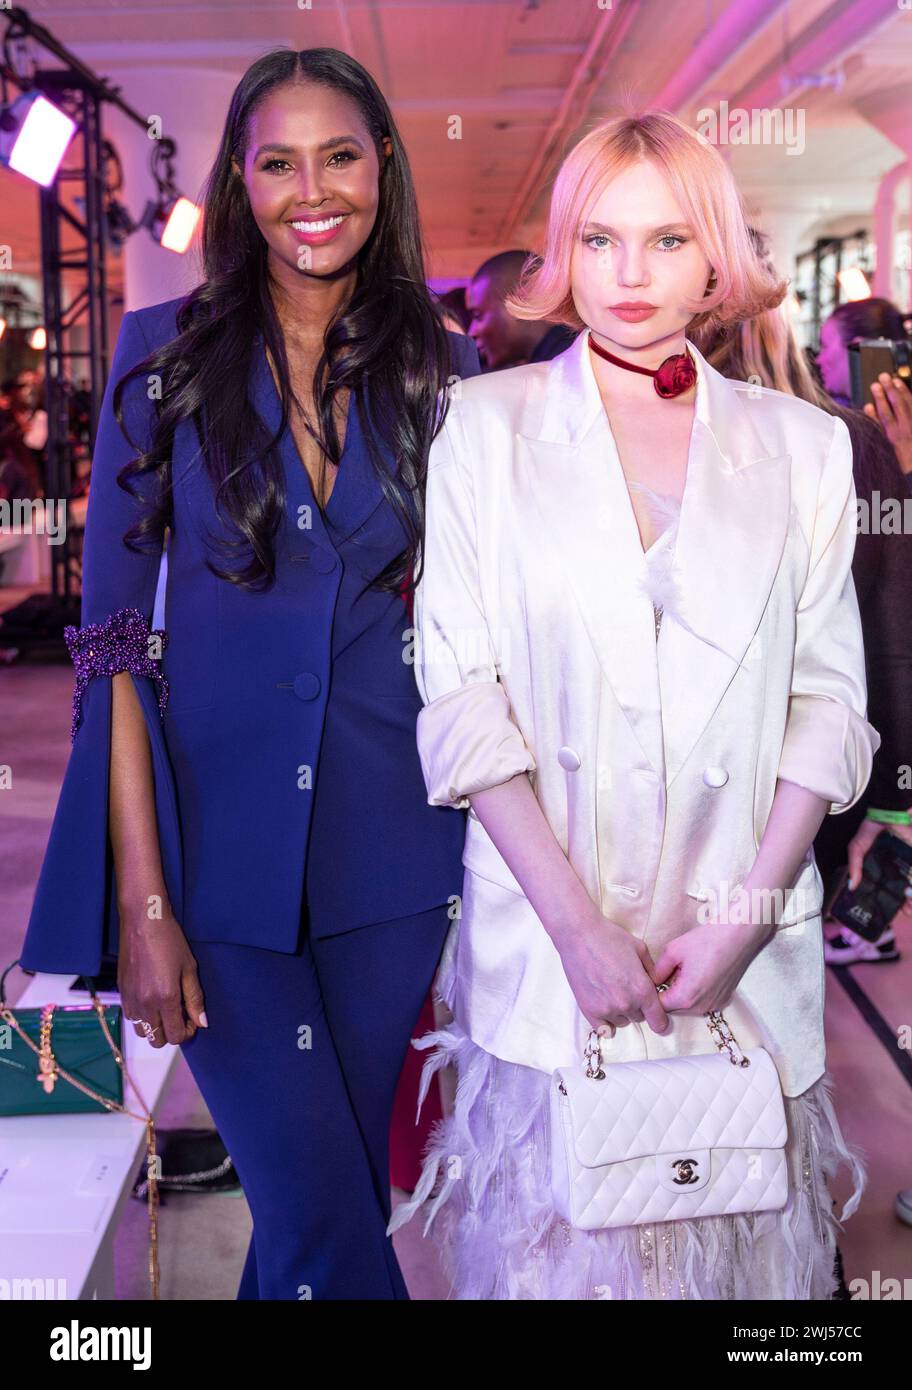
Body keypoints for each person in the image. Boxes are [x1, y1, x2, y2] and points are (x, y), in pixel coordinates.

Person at [388, 111, 876, 1300]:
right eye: (600, 240)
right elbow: (460, 694)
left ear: (715, 259)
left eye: (666, 241)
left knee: (743, 1280)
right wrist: (576, 929)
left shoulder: (804, 447)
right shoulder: (484, 431)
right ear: (564, 251)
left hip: (739, 940)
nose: (629, 276)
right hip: (557, 946)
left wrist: (745, 916)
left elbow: (831, 706)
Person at [18, 46, 480, 1301]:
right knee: (330, 1224)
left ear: (383, 163)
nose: (309, 190)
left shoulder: (448, 373)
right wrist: (145, 900)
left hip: (397, 863)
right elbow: (114, 642)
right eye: (277, 161)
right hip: (214, 866)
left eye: (340, 155)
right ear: (238, 177)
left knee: (308, 1210)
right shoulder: (162, 357)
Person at [703, 261, 912, 967]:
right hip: (818, 766)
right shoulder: (848, 439)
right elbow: (887, 635)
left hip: (756, 768)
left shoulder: (834, 441)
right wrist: (892, 798)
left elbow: (887, 623)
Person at [466, 250, 577, 368]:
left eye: (478, 316)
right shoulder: (565, 355)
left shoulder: (562, 368)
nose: (471, 332)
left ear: (523, 300)